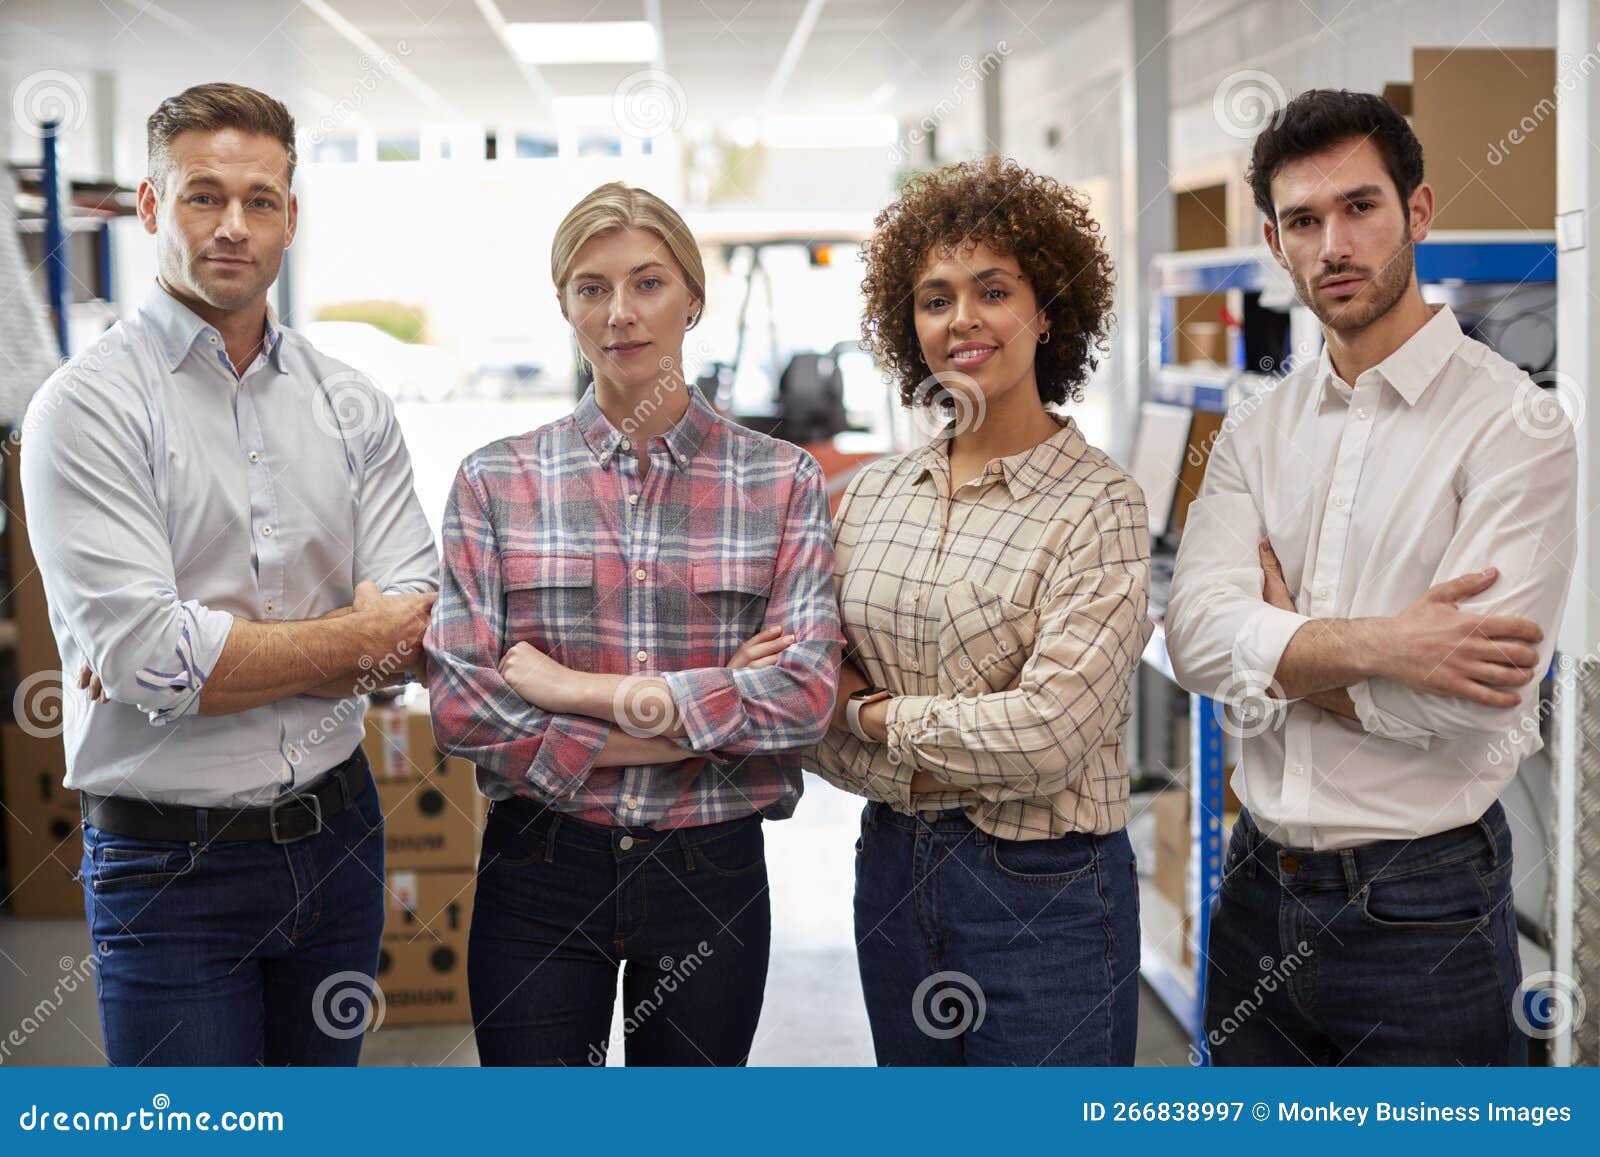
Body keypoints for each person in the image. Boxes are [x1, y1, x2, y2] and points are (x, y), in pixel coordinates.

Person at [20, 82, 439, 1066]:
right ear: (152, 205)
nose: (233, 226)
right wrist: (351, 639)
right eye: (204, 195)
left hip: (339, 838)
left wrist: (209, 654)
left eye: (260, 199)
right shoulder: (85, 408)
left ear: (290, 215)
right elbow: (150, 662)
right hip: (168, 864)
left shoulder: (354, 404)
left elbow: (417, 626)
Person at [1165, 88, 1577, 1065]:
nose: (1333, 245)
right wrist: (1394, 646)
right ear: (1274, 240)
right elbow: (1193, 637)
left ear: (1418, 212)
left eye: (1359, 208)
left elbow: (1480, 702)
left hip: (1422, 909)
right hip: (1256, 891)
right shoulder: (1256, 430)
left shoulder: (1515, 427)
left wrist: (1283, 649)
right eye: (1303, 220)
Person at [424, 181, 842, 1067]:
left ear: (694, 295)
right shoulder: (495, 483)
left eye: (648, 283)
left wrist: (572, 692)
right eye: (591, 287)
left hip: (710, 871)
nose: (620, 312)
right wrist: (708, 714)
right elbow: (462, 706)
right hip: (540, 867)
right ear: (565, 304)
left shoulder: (782, 482)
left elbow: (803, 701)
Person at [807, 157, 1151, 1065]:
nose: (962, 318)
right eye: (934, 297)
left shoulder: (1099, 504)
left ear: (1047, 311)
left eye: (992, 290)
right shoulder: (871, 497)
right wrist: (901, 751)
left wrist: (874, 713)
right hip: (892, 874)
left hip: (1047, 895)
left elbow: (1050, 734)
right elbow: (804, 700)